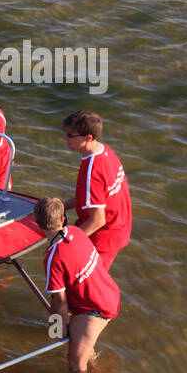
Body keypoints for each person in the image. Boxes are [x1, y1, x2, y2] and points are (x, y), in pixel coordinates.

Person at [34, 196, 120, 373]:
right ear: (63, 218)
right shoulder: (76, 231)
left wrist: (58, 329)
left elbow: (60, 301)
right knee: (84, 348)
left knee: (75, 363)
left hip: (95, 310)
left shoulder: (52, 258)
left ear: (38, 224)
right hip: (109, 294)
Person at [61, 110, 132, 269]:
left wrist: (67, 243)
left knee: (83, 285)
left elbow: (98, 220)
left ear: (88, 138)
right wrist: (65, 205)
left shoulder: (92, 171)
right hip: (119, 228)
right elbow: (98, 198)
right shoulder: (105, 151)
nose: (65, 138)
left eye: (70, 135)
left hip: (103, 239)